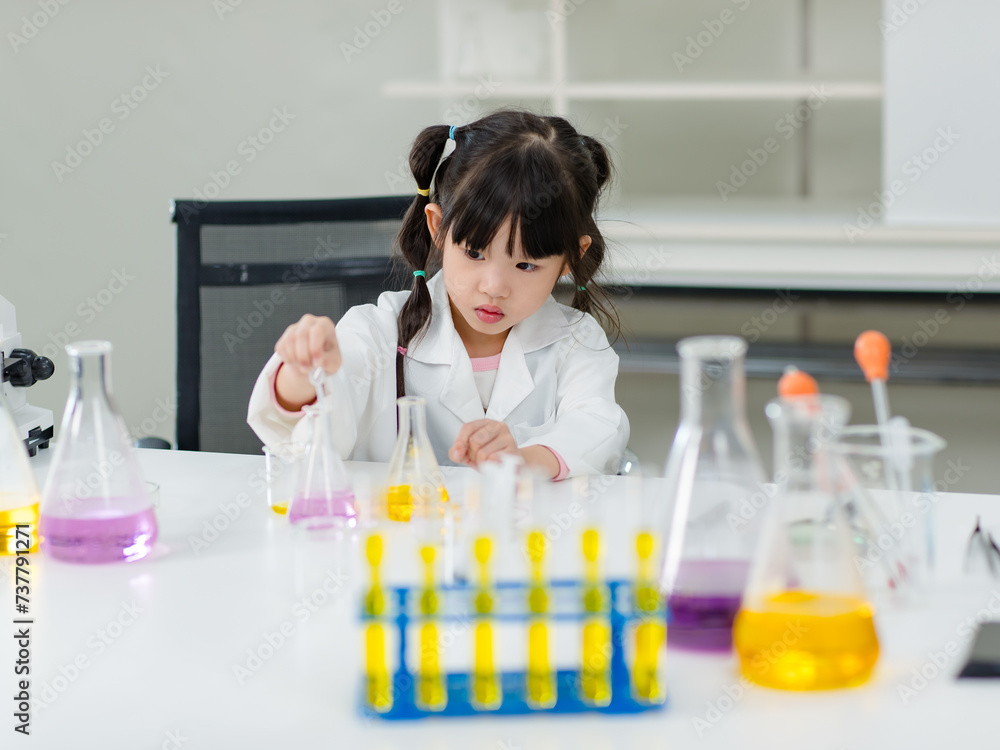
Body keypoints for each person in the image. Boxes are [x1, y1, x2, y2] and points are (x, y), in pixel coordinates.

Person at [247, 110, 629, 478]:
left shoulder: (577, 342)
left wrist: (525, 459)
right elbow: (313, 425)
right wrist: (300, 373)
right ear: (439, 228)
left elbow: (598, 431)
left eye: (526, 265)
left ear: (569, 258)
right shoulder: (377, 332)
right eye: (475, 253)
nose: (494, 287)